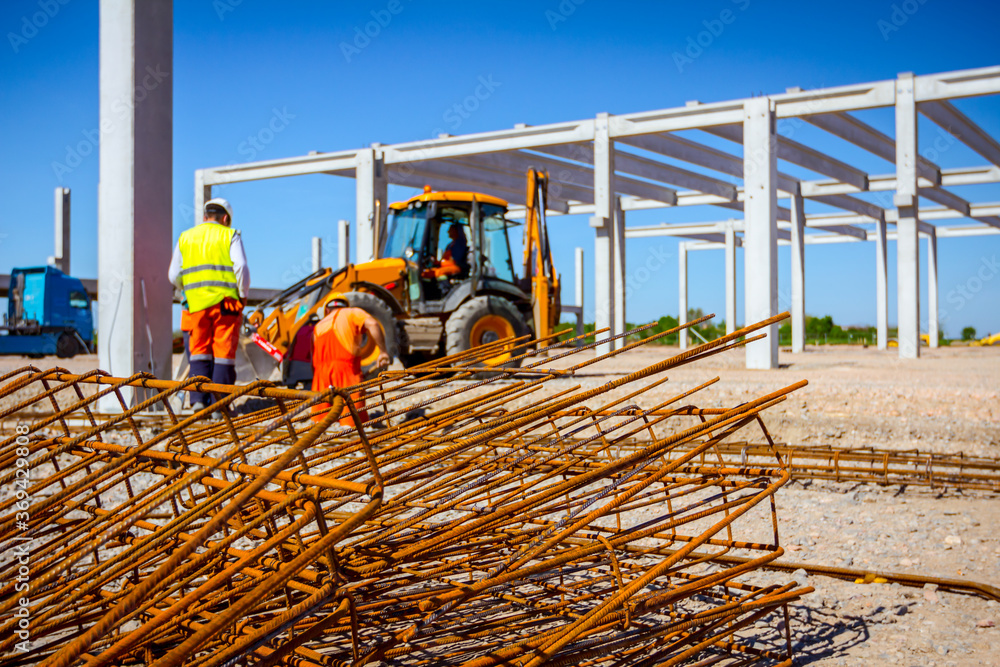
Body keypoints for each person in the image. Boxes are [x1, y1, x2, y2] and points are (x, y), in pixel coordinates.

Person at [168, 197, 250, 413]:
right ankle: (219, 405)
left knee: (199, 353)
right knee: (223, 353)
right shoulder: (229, 234)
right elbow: (240, 266)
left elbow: (173, 274)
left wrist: (188, 291)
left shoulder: (185, 237)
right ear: (225, 218)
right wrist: (242, 294)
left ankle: (197, 402)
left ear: (205, 217)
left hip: (195, 305)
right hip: (226, 304)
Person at [311, 294, 390, 427]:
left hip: (320, 377)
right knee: (352, 426)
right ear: (345, 305)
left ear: (327, 310)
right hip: (346, 372)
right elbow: (373, 323)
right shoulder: (353, 313)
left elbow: (313, 356)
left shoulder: (318, 325)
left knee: (320, 427)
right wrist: (382, 352)